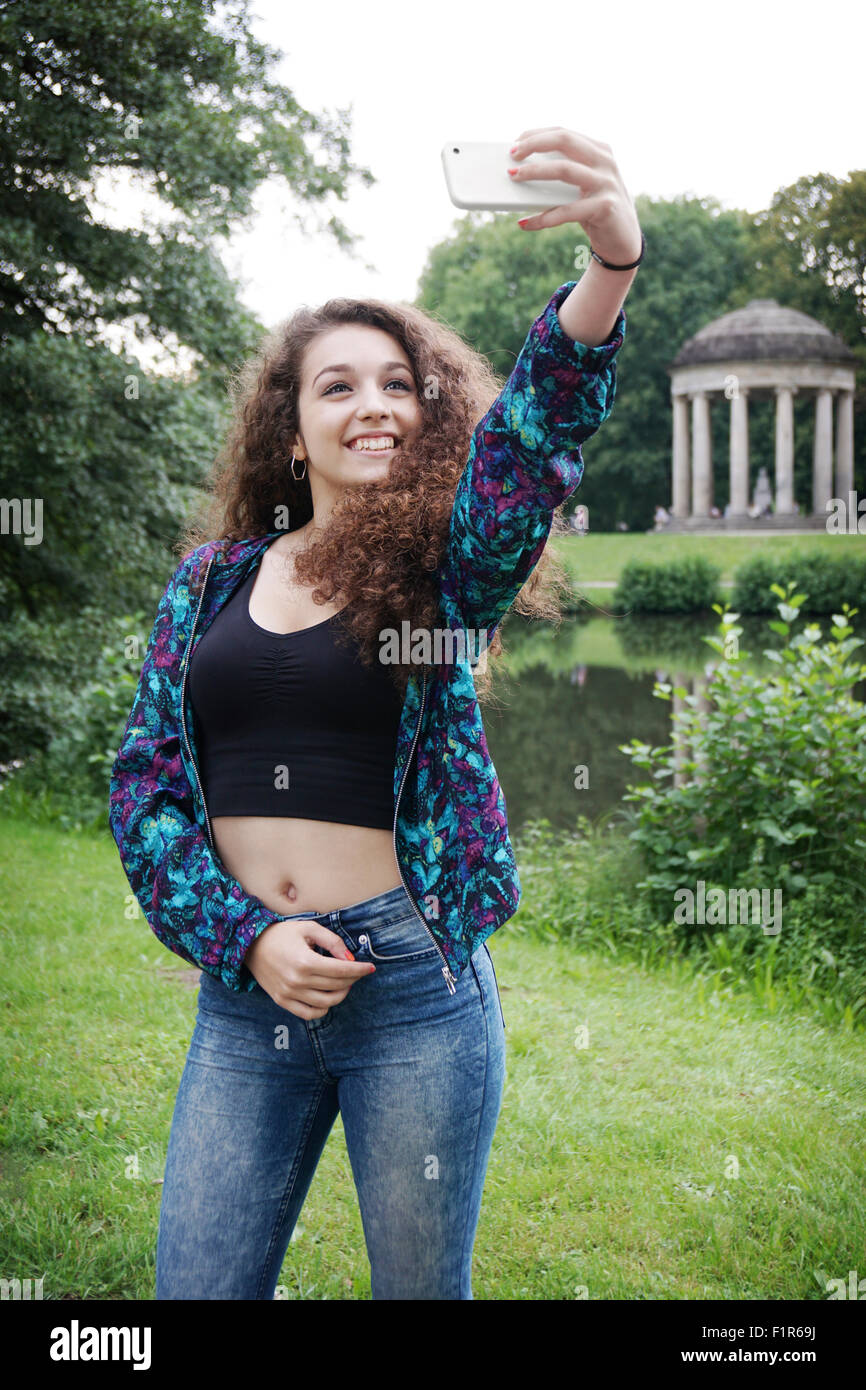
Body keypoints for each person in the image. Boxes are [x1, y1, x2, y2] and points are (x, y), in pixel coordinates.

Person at [109, 125, 640, 1301]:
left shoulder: (448, 572)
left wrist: (606, 271)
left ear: (427, 414)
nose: (374, 406)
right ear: (287, 427)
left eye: (399, 384)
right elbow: (143, 786)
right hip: (247, 997)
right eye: (337, 385)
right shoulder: (207, 584)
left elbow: (533, 441)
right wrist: (242, 934)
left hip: (412, 996)